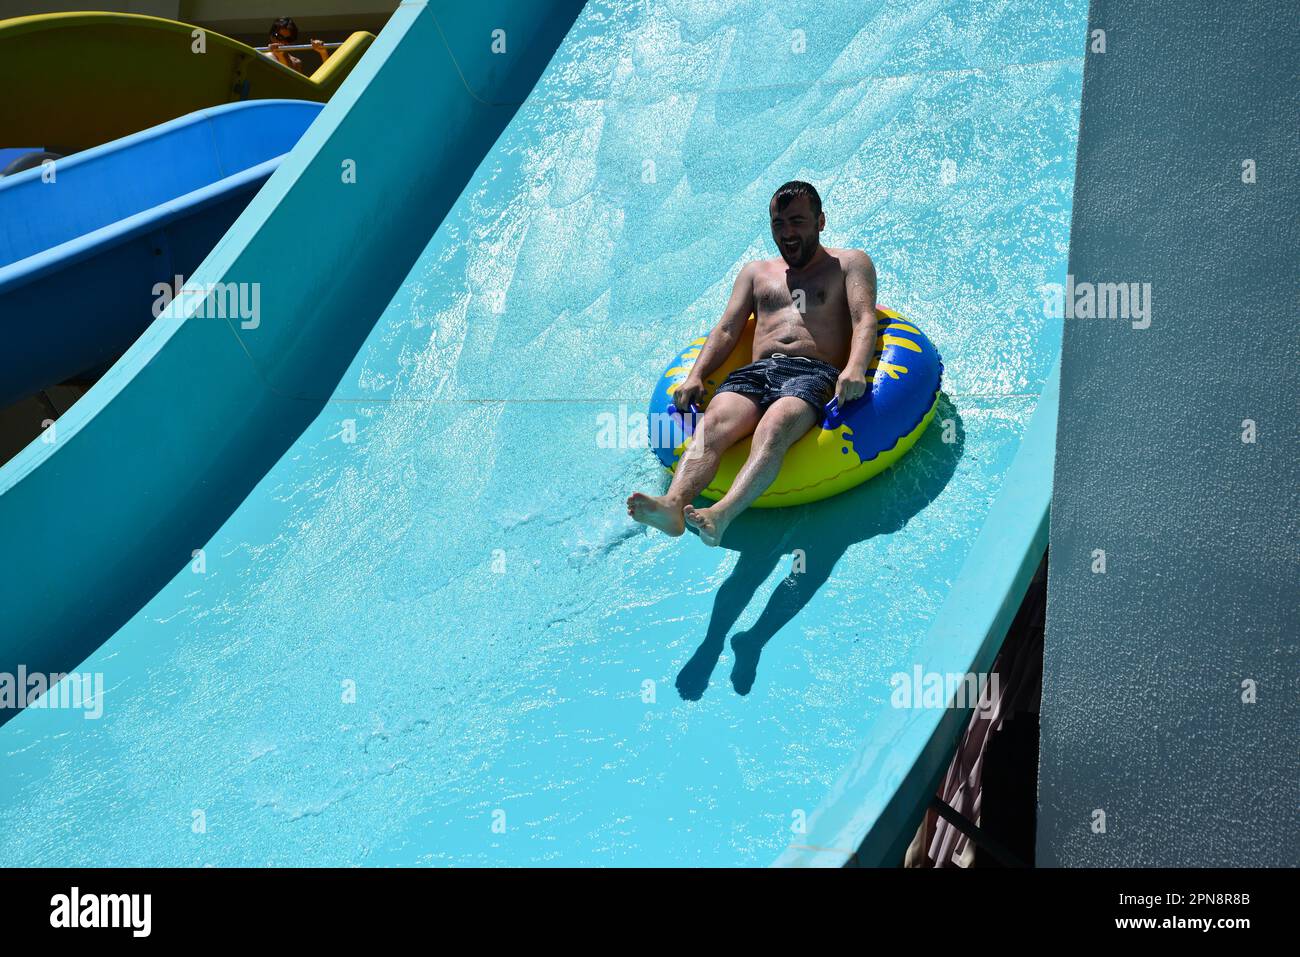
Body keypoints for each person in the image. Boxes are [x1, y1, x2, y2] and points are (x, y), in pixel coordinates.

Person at [627, 181, 878, 547]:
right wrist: (697, 375)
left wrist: (854, 368)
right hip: (755, 373)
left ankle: (721, 514)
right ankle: (673, 505)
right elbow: (728, 329)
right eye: (779, 224)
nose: (788, 233)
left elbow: (864, 318)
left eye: (797, 222)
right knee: (712, 424)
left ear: (820, 221)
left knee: (775, 425)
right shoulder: (756, 272)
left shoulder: (850, 263)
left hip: (811, 372)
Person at [264, 17, 331, 75]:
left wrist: (323, 53)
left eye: (289, 39)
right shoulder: (263, 57)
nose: (283, 42)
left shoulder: (296, 62)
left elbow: (291, 83)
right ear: (272, 37)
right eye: (279, 37)